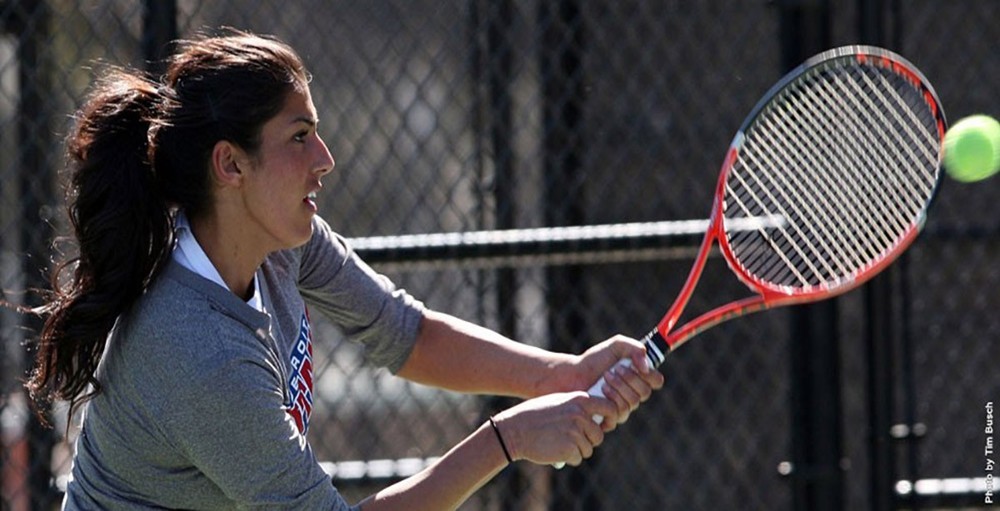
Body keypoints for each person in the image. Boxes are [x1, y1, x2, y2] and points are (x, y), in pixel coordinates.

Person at [22, 30, 663, 510]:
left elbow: (404, 334)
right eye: (299, 137)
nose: (325, 159)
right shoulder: (198, 355)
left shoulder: (279, 242)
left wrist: (562, 374)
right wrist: (508, 439)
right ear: (230, 165)